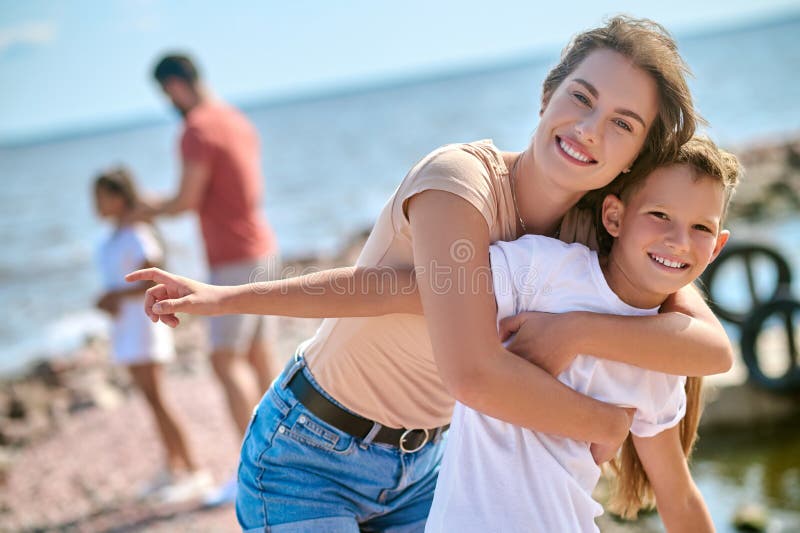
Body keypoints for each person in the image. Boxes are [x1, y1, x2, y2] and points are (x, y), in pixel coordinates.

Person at [128, 17, 734, 531]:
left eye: (624, 123)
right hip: (309, 452)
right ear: (548, 93)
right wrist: (604, 422)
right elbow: (470, 370)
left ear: (635, 157)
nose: (590, 128)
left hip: (430, 466)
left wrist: (574, 331)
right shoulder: (461, 185)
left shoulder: (589, 237)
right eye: (581, 96)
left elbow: (708, 347)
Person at [424, 136, 739, 532]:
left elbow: (678, 496)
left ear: (716, 247)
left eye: (700, 228)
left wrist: (575, 332)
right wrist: (320, 295)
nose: (679, 241)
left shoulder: (660, 358)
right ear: (614, 217)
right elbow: (430, 288)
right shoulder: (543, 271)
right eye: (660, 215)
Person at [139, 53, 281, 502]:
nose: (167, 102)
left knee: (224, 359)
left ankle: (256, 472)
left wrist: (143, 207)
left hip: (233, 258)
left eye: (165, 93)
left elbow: (184, 200)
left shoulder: (197, 128)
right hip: (263, 247)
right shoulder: (235, 119)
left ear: (176, 84)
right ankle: (287, 459)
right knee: (258, 357)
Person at [93, 167, 212, 504]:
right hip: (125, 326)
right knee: (149, 399)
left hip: (145, 323)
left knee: (159, 398)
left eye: (101, 196)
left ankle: (195, 470)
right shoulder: (115, 235)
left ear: (119, 197)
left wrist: (115, 296)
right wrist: (112, 298)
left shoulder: (138, 233)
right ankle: (172, 465)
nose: (96, 203)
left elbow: (154, 280)